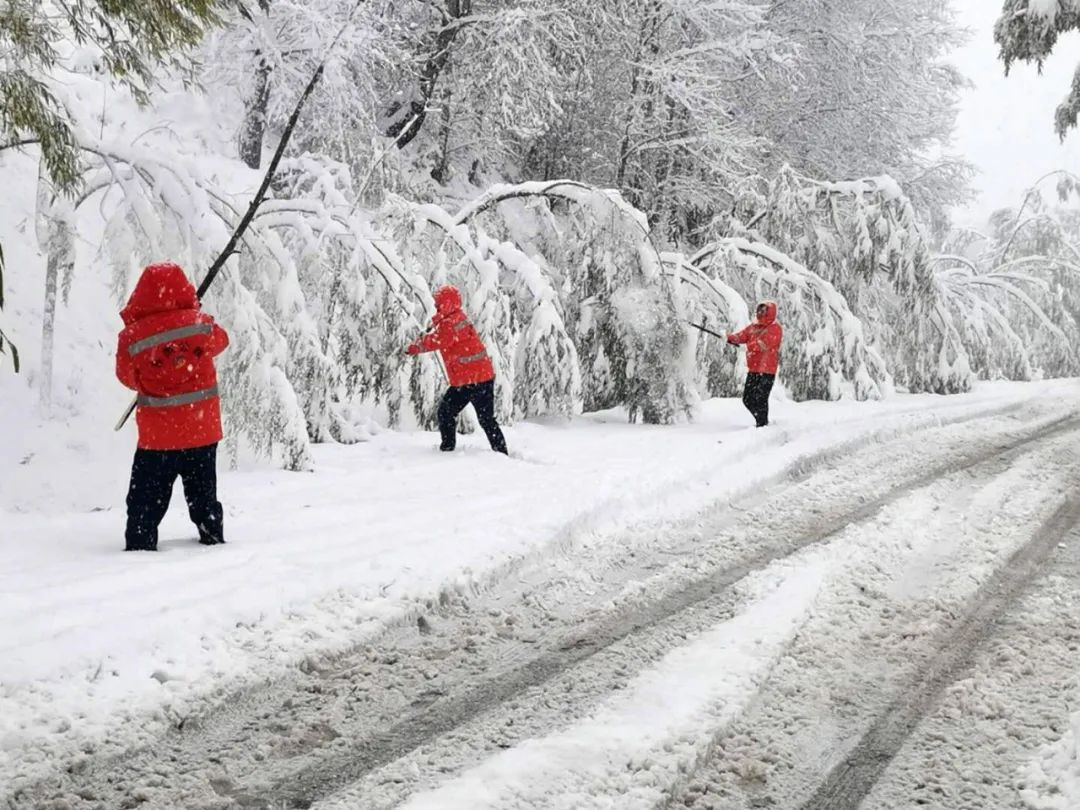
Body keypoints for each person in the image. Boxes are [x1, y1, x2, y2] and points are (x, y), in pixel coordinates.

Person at [115, 263, 230, 551]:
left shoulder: (132, 338)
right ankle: (212, 536)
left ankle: (140, 544)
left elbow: (126, 377)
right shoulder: (201, 325)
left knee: (146, 499)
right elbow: (221, 341)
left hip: (158, 439)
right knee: (203, 495)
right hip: (202, 434)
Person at [406, 285, 508, 455]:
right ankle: (500, 452)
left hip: (473, 380)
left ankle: (448, 449)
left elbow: (438, 340)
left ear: (447, 303)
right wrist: (436, 321)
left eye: (439, 303)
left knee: (447, 413)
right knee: (484, 419)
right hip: (475, 379)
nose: (436, 306)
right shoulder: (455, 317)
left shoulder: (451, 323)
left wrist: (414, 347)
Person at [727, 301, 783, 428]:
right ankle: (762, 422)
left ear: (770, 312)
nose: (760, 313)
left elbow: (764, 344)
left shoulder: (775, 328)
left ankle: (762, 424)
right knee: (747, 399)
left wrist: (747, 347)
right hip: (754, 369)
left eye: (763, 311)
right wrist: (728, 337)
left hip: (767, 371)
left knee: (761, 398)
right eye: (759, 310)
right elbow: (741, 336)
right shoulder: (753, 327)